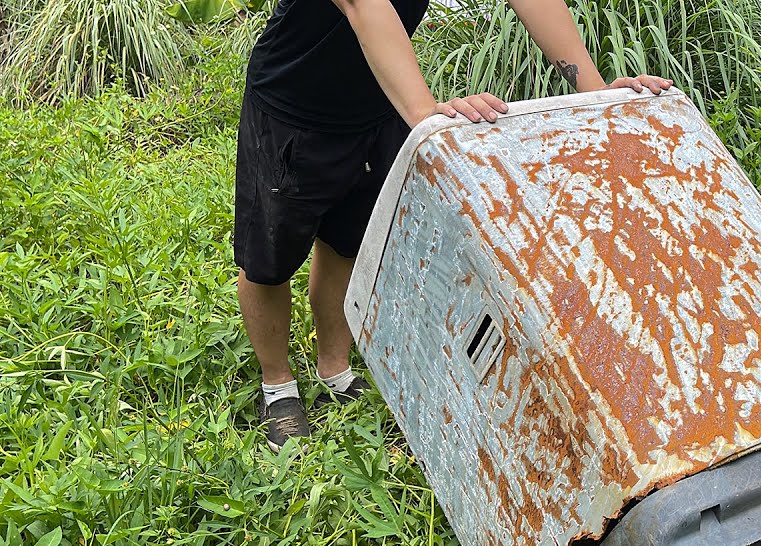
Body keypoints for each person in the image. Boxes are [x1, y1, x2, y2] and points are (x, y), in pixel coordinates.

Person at [235, 0, 673, 451]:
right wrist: (425, 114)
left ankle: (334, 366)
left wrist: (595, 96)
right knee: (269, 259)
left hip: (377, 106)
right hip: (291, 109)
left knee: (348, 242)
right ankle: (278, 385)